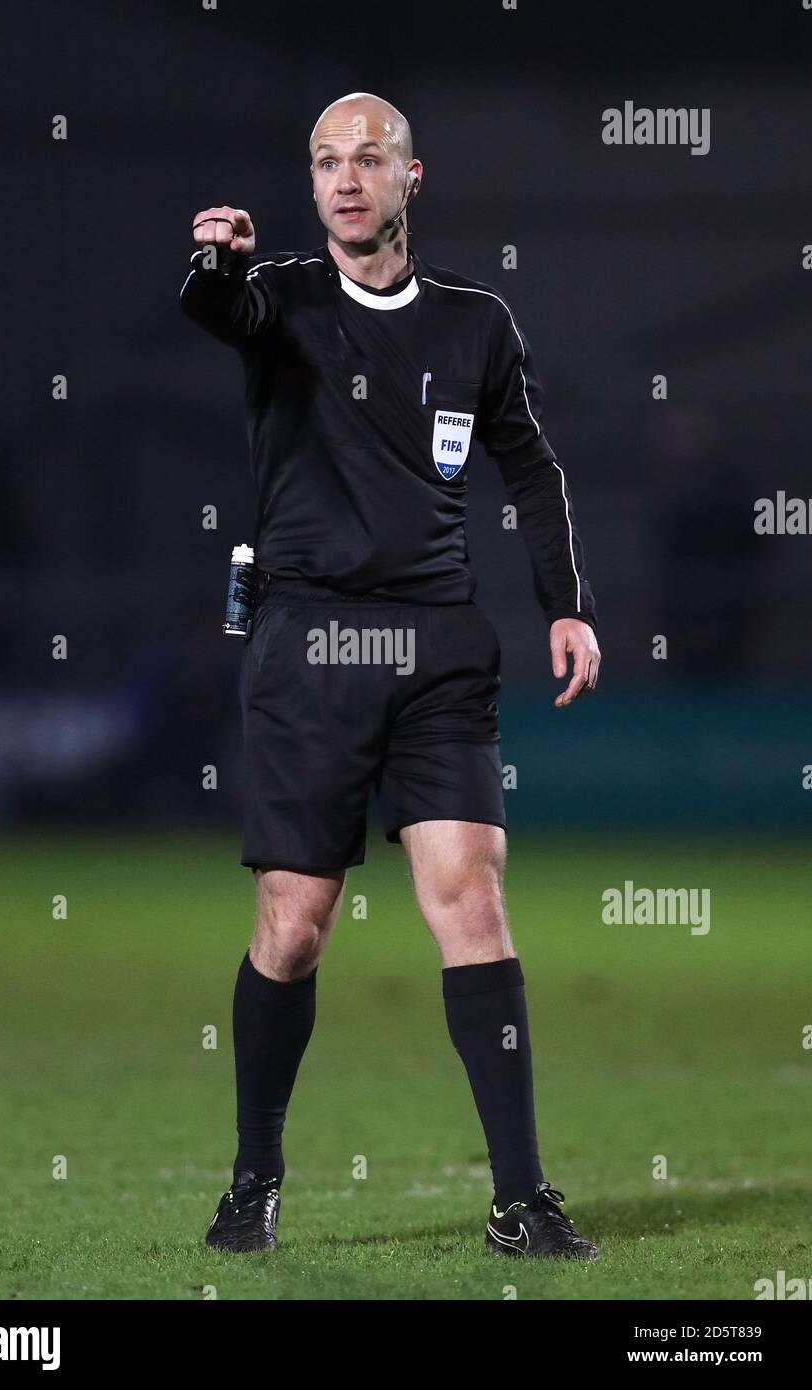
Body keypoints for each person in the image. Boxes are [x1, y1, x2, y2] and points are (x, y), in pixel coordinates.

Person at [181, 91, 601, 1259]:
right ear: (311, 185)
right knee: (296, 922)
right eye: (325, 161)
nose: (346, 178)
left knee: (470, 892)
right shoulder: (283, 303)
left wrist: (566, 607)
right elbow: (220, 306)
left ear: (414, 177)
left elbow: (533, 472)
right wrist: (214, 266)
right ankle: (255, 1176)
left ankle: (520, 1198)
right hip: (308, 645)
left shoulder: (477, 323)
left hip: (434, 645)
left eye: (369, 158)